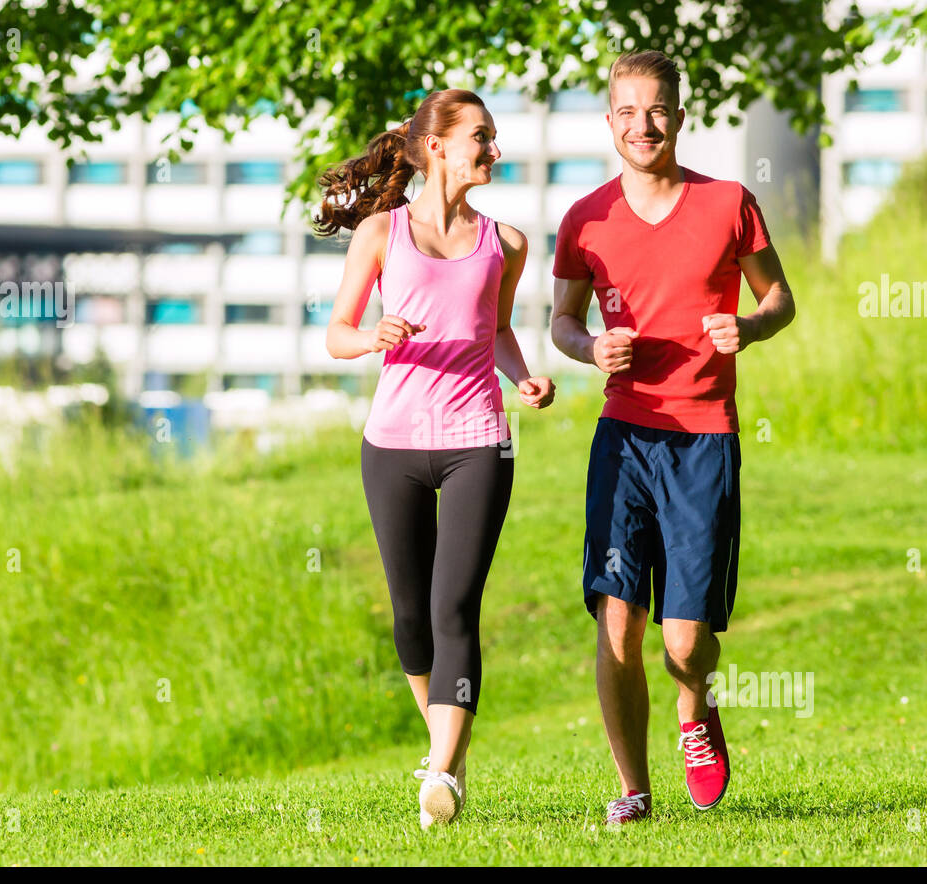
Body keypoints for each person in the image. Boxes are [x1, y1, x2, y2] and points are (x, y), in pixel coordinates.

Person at [550, 52, 796, 824]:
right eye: (626, 111)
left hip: (704, 439)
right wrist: (590, 349)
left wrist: (749, 327)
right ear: (610, 122)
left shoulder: (728, 203)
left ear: (680, 117)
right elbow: (561, 321)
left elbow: (781, 298)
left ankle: (696, 709)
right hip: (623, 438)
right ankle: (633, 787)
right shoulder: (585, 218)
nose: (642, 125)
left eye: (656, 110)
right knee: (616, 618)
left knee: (685, 641)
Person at [317, 89, 555, 828]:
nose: (494, 150)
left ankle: (444, 773)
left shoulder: (506, 243)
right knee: (411, 618)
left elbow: (500, 329)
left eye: (494, 138)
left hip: (479, 441)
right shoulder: (383, 234)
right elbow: (338, 332)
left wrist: (525, 377)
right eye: (481, 138)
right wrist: (374, 336)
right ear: (438, 147)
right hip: (391, 446)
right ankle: (444, 743)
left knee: (455, 605)